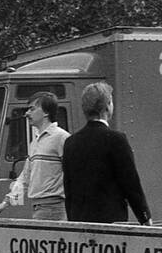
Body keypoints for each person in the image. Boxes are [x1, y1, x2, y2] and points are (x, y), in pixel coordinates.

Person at [62, 82, 152, 225]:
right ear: (108, 106)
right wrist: (145, 217)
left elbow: (69, 189)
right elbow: (131, 184)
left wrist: (73, 220)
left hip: (80, 222)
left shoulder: (70, 143)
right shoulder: (116, 139)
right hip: (110, 222)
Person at [0, 92, 69, 221]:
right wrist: (6, 202)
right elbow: (25, 176)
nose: (27, 113)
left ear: (46, 112)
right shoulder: (36, 142)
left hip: (52, 208)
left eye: (32, 109)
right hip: (39, 207)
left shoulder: (61, 138)